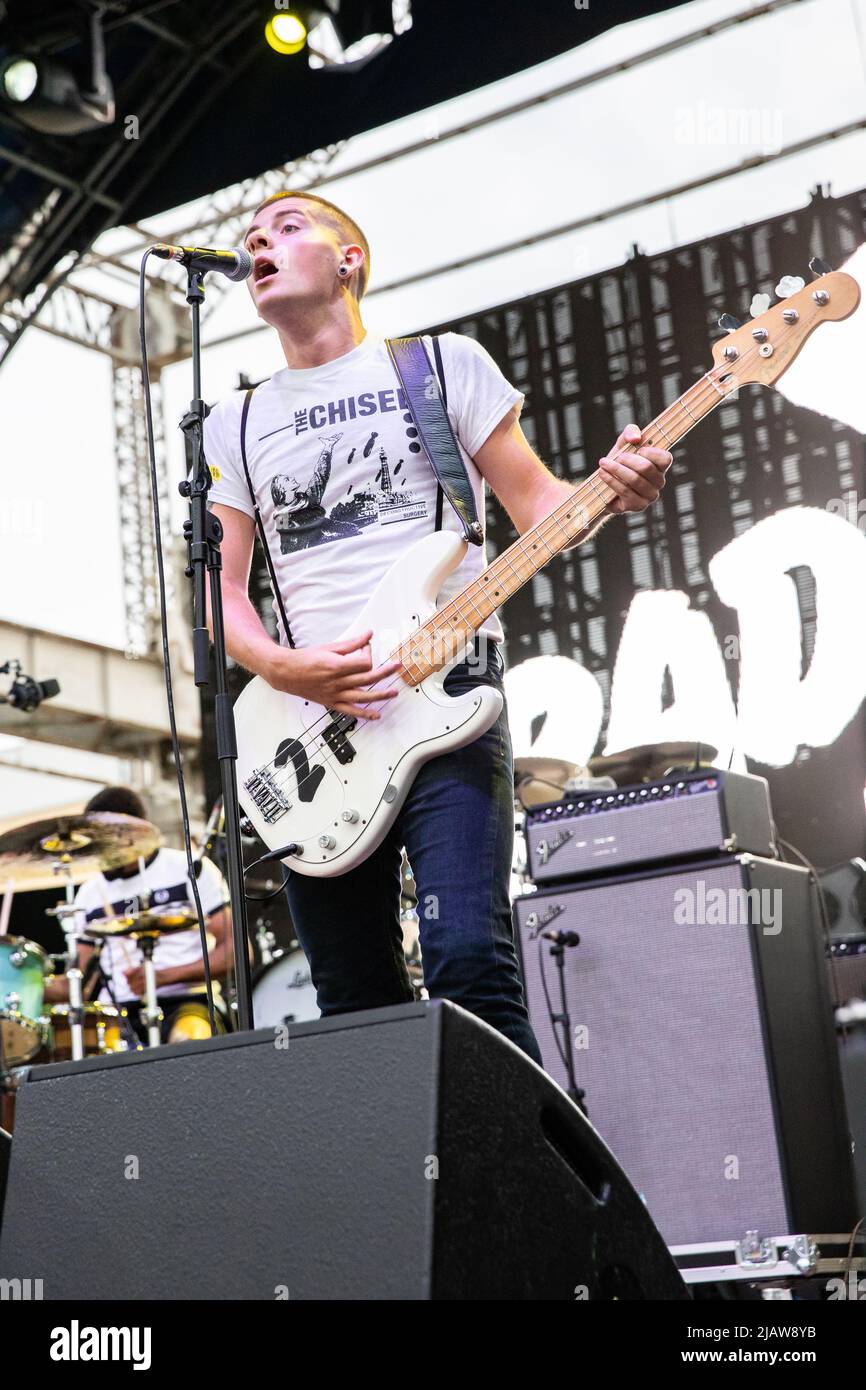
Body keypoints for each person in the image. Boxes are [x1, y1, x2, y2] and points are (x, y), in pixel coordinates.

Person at [202, 191, 672, 1065]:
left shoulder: (440, 366)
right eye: (251, 235)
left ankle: (523, 1196)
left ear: (350, 262)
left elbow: (541, 507)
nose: (260, 239)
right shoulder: (232, 421)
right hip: (316, 735)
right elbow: (220, 591)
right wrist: (285, 666)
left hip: (446, 695)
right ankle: (401, 1198)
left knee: (469, 960)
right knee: (351, 997)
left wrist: (615, 484)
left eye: (289, 225)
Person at [45, 786, 233, 1044]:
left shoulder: (188, 869)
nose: (99, 846)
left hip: (188, 1002)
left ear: (134, 831)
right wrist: (23, 987)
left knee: (187, 1040)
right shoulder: (90, 893)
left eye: (105, 836)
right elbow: (77, 984)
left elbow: (236, 951)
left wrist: (165, 976)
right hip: (116, 1013)